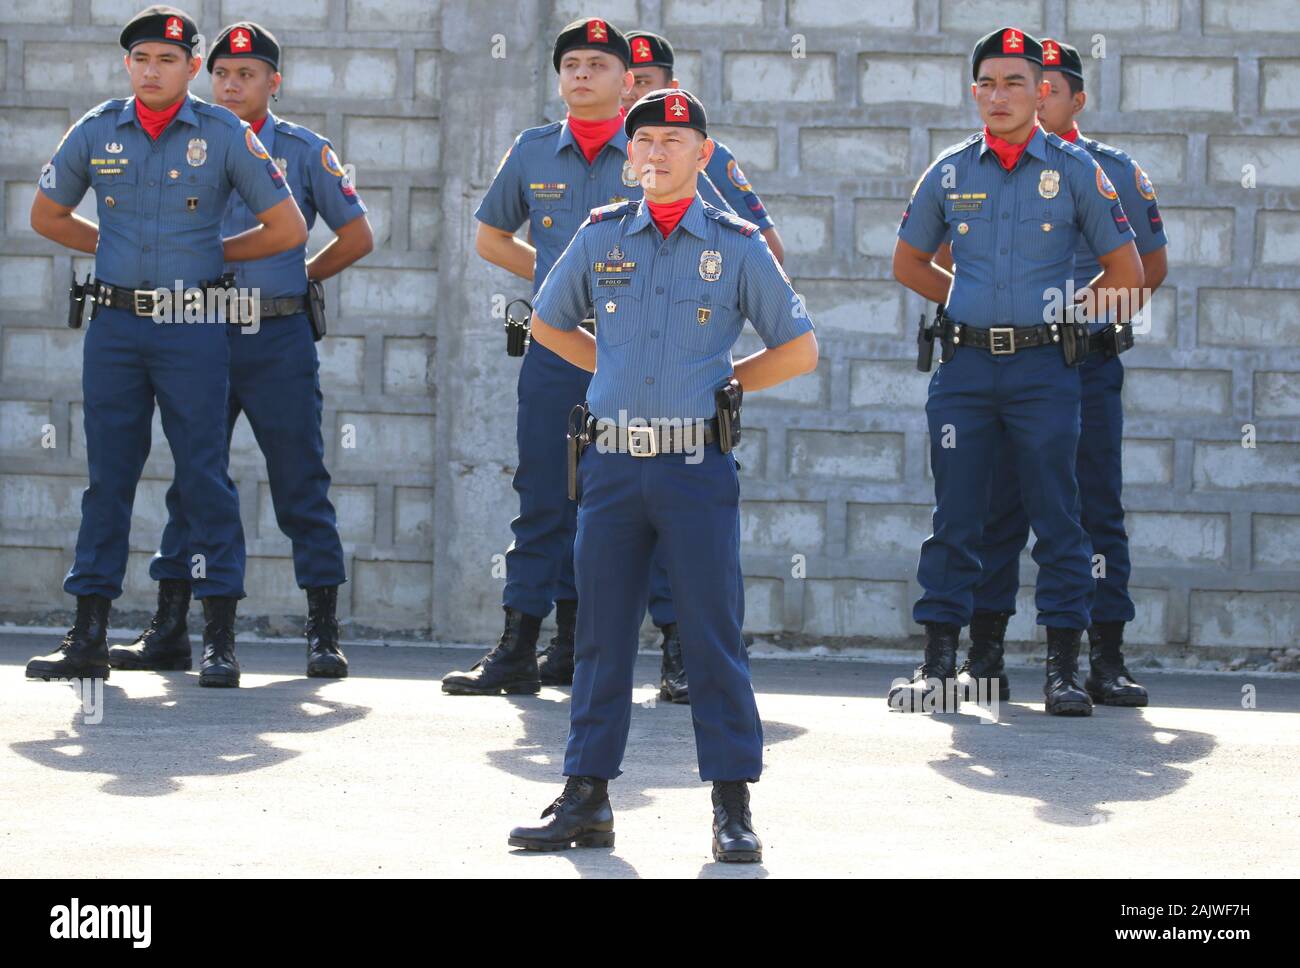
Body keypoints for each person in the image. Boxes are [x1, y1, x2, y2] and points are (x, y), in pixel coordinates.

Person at [506, 89, 817, 861]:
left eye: (674, 140)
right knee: (600, 638)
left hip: (692, 464)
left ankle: (732, 805)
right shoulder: (603, 234)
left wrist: (729, 384)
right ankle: (586, 799)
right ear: (630, 154)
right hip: (611, 463)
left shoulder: (737, 243)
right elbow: (547, 323)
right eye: (643, 139)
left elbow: (800, 348)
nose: (656, 152)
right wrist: (608, 366)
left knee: (712, 635)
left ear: (703, 156)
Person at [25, 4, 307, 686]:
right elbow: (47, 215)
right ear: (129, 66)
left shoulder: (224, 132)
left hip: (194, 327)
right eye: (142, 59)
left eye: (168, 60)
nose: (153, 70)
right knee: (108, 480)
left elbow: (288, 227)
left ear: (190, 69)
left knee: (203, 477)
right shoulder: (97, 129)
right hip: (117, 328)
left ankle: (216, 638)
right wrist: (119, 247)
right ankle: (88, 632)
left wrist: (209, 254)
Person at [107, 21, 375, 684]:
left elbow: (357, 235)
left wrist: (300, 277)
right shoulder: (178, 145)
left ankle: (322, 632)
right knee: (194, 483)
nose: (232, 84)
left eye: (247, 74)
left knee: (299, 479)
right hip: (195, 331)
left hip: (276, 338)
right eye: (222, 73)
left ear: (271, 83)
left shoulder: (306, 150)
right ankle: (172, 628)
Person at [888, 27, 1143, 716]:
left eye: (1014, 84)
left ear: (1042, 93)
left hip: (1044, 370)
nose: (998, 96)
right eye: (987, 84)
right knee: (958, 516)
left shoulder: (1078, 170)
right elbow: (907, 261)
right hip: (965, 368)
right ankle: (941, 662)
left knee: (1061, 517)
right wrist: (965, 300)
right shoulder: (949, 172)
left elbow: (1128, 271)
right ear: (975, 93)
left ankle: (1063, 669)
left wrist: (1061, 312)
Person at [623, 28, 786, 704]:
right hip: (589, 356)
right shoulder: (560, 152)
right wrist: (535, 327)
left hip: (681, 365)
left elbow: (762, 249)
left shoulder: (697, 159)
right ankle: (551, 641)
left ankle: (687, 650)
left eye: (647, 79)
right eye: (624, 79)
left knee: (684, 512)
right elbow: (523, 258)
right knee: (567, 502)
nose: (636, 92)